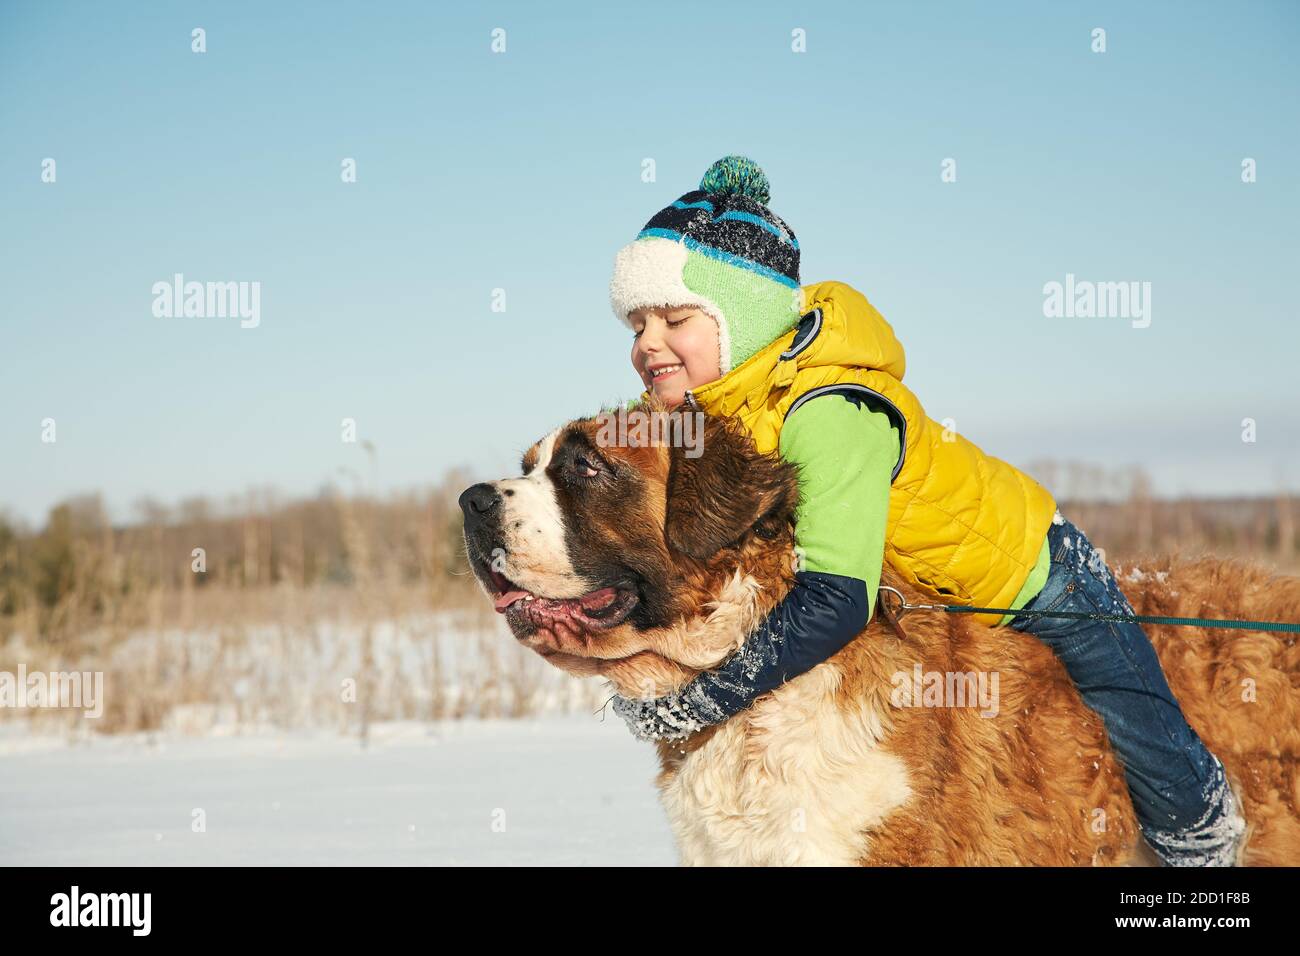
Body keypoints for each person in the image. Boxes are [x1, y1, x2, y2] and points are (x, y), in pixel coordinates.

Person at [603, 155, 1246, 866]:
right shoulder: (708, 421)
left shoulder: (827, 412)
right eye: (636, 324)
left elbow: (838, 598)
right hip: (934, 591)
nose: (647, 343)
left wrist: (711, 694)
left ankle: (1205, 846)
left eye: (675, 318)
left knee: (1133, 710)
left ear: (746, 317)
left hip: (1034, 567)